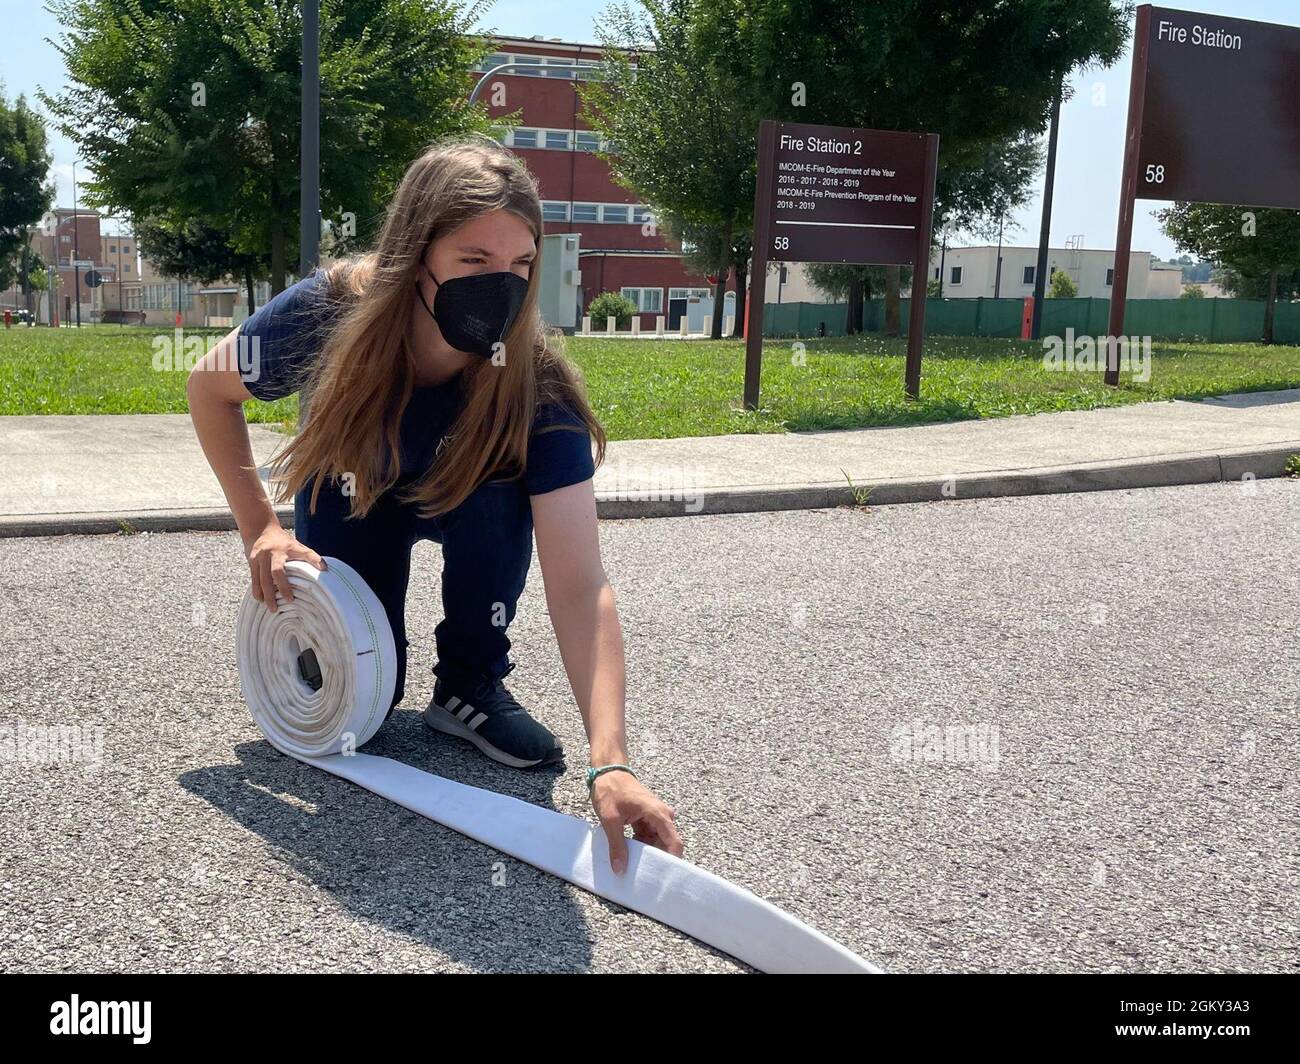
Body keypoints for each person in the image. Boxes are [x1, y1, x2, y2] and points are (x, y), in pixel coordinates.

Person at [187, 136, 683, 872]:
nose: (501, 285)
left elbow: (582, 588)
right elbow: (209, 388)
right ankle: (368, 668)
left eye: (519, 265)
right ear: (415, 259)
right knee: (359, 708)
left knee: (498, 490)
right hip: (354, 484)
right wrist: (261, 529)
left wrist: (609, 760)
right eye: (474, 263)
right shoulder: (333, 311)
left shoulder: (535, 391)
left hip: (469, 497)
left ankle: (469, 683)